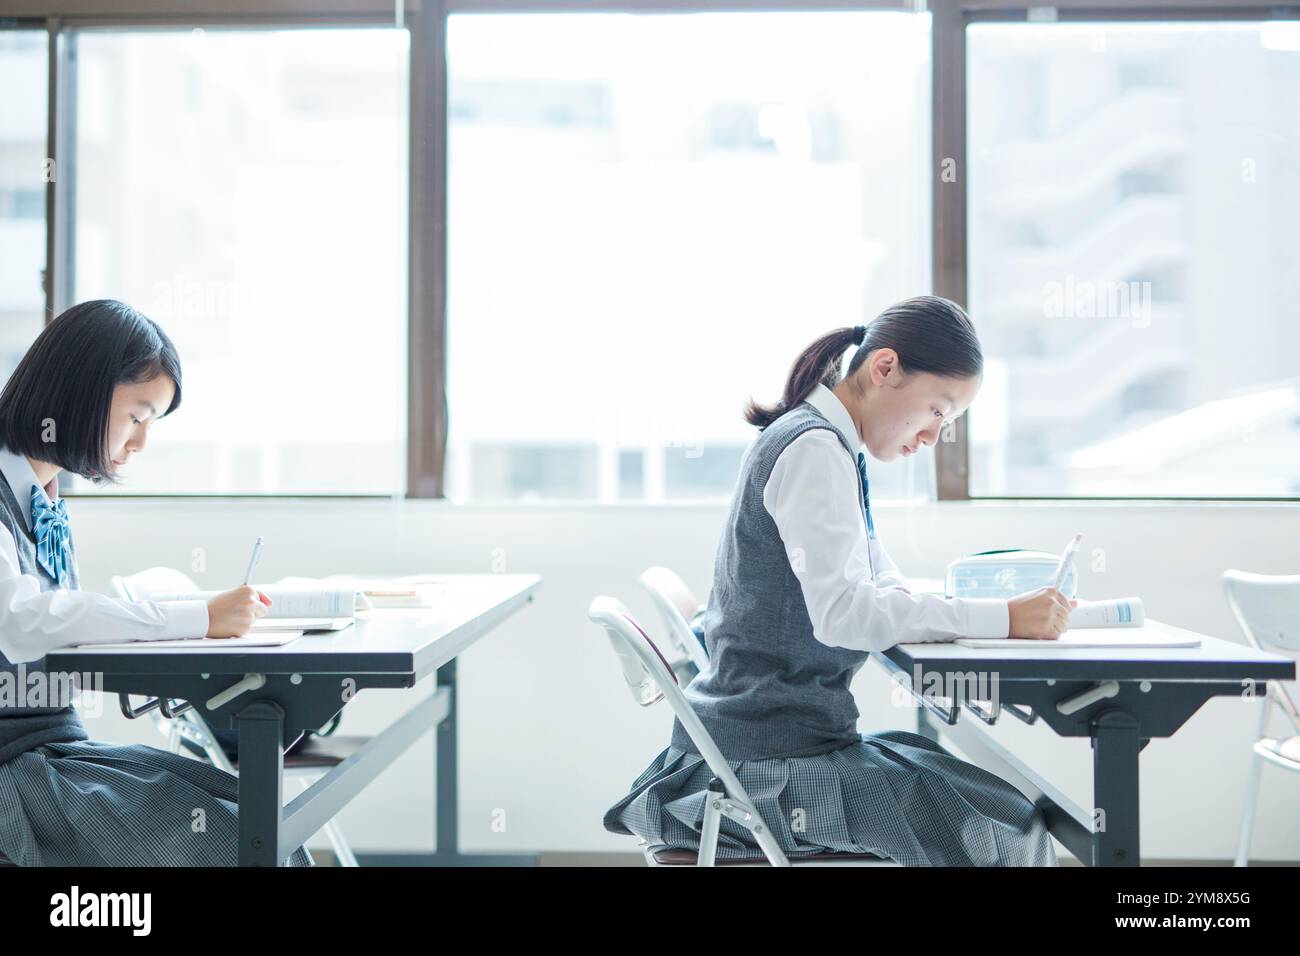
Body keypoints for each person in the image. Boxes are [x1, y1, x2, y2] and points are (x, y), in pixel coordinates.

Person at [604, 295, 1072, 866]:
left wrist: (948, 606)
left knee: (985, 802)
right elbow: (845, 616)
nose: (933, 436)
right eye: (937, 410)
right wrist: (1004, 619)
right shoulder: (814, 450)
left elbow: (873, 570)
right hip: (771, 772)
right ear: (885, 369)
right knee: (1007, 830)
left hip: (765, 751)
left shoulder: (827, 443)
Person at [0, 299, 313, 866]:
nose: (141, 442)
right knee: (237, 839)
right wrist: (199, 618)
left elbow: (54, 618)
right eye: (138, 416)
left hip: (54, 753)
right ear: (81, 391)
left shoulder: (42, 498)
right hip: (17, 771)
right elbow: (21, 623)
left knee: (255, 820)